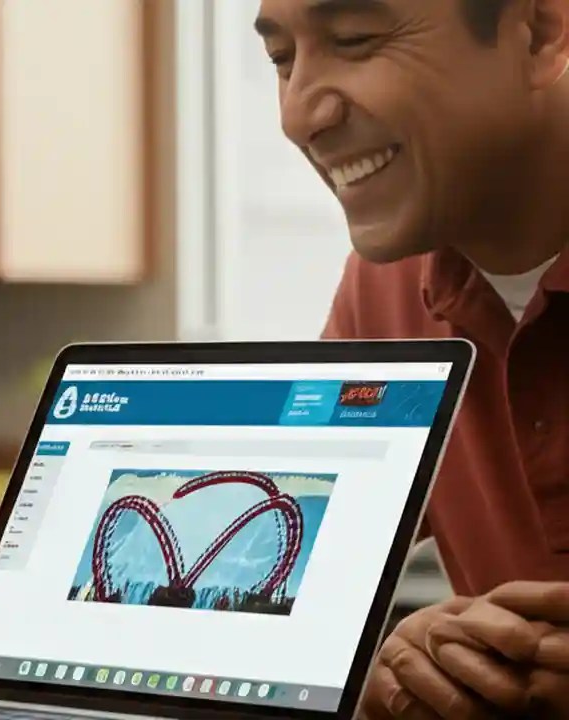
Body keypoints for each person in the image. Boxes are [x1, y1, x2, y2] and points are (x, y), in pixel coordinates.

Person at [254, 0, 569, 716]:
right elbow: (278, 607)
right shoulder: (384, 290)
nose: (300, 114)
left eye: (357, 40)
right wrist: (390, 667)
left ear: (539, 34)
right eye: (281, 60)